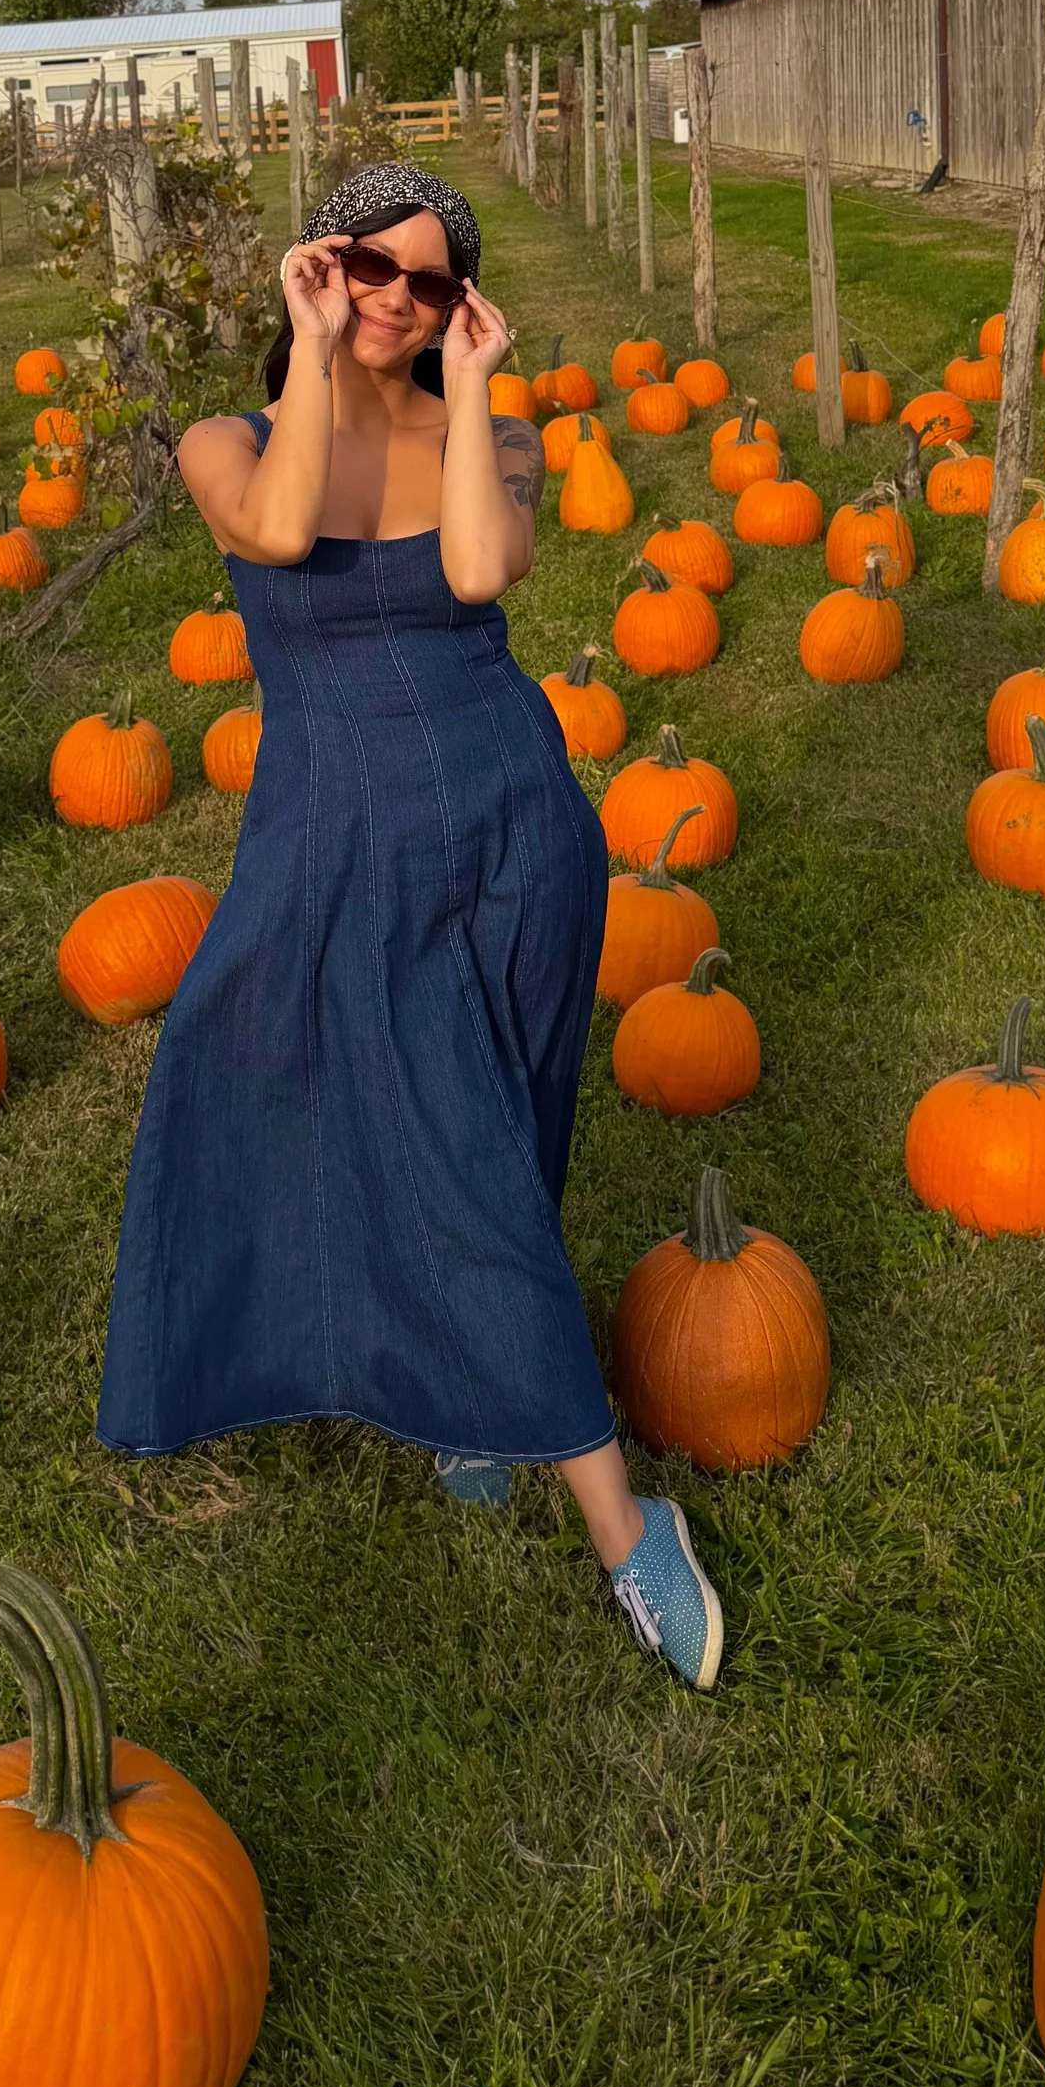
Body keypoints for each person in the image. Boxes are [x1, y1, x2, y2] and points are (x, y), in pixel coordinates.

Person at [95, 160, 725, 1690]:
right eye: (365, 263)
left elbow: (474, 571)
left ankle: (470, 1393)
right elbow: (278, 530)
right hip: (339, 841)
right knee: (420, 1142)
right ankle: (627, 1529)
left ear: (461, 303)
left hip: (518, 823)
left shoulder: (491, 440)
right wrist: (312, 351)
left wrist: (474, 386)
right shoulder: (223, 438)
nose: (391, 295)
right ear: (318, 262)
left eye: (427, 280)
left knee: (499, 1137)